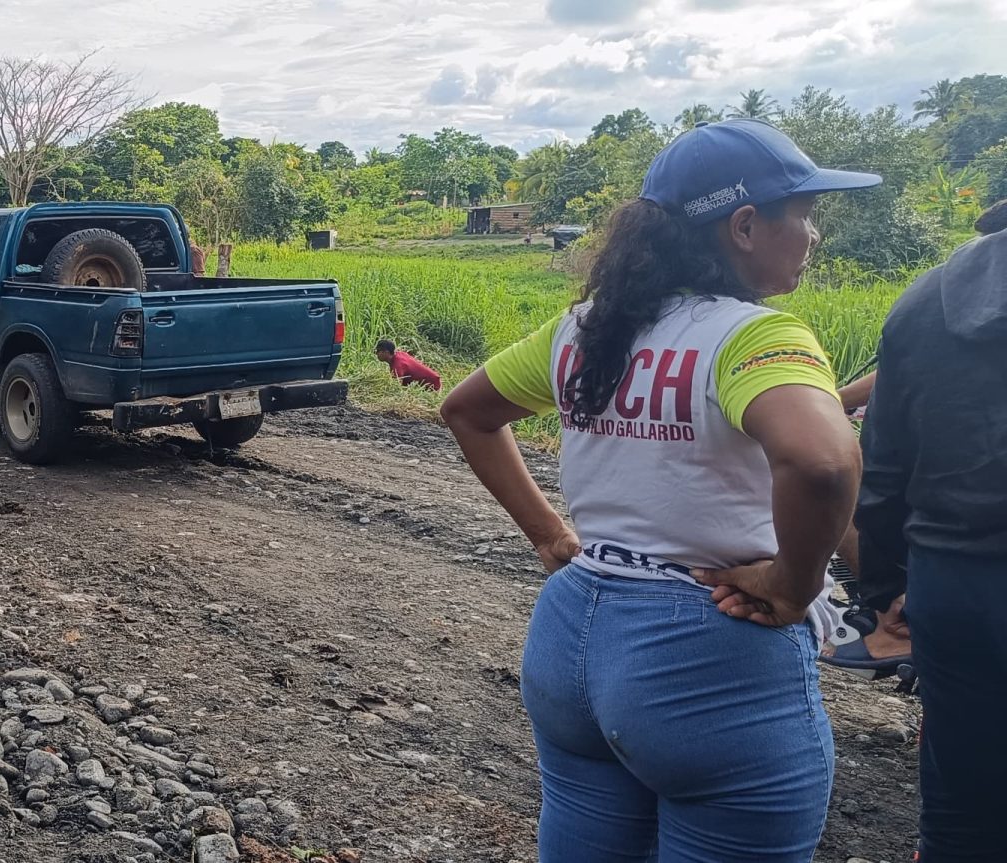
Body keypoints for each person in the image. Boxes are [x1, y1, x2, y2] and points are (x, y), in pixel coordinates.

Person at [439, 119, 876, 861]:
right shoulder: (756, 337)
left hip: (573, 635)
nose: (811, 234)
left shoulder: (581, 329)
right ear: (744, 225)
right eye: (802, 213)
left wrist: (551, 535)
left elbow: (467, 410)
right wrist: (794, 583)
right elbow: (822, 463)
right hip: (708, 650)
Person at [856, 210, 1007, 861]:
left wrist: (890, 591)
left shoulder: (924, 298)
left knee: (958, 819)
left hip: (953, 591)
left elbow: (880, 476)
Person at [374, 339, 441, 390]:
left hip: (432, 387)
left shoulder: (398, 365)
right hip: (434, 380)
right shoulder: (399, 354)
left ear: (386, 352)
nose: (376, 354)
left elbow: (396, 387)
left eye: (378, 351)